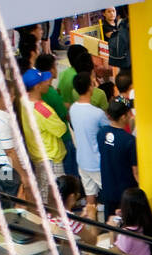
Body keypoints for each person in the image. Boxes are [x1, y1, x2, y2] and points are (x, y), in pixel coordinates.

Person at [19, 66, 66, 200]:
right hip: (51, 158)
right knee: (55, 197)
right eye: (44, 81)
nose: (48, 82)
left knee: (44, 192)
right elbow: (61, 129)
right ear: (37, 86)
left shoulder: (23, 101)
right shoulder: (43, 110)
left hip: (36, 154)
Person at [68, 73, 110, 222]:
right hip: (97, 162)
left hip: (82, 160)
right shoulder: (97, 113)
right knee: (110, 196)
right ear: (89, 87)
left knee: (90, 197)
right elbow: (109, 129)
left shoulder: (73, 109)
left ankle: (93, 226)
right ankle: (109, 228)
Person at [97, 98, 138, 220]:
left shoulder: (101, 133)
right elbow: (135, 171)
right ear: (123, 116)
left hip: (108, 187)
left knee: (110, 223)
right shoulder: (129, 140)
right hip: (125, 192)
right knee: (125, 223)